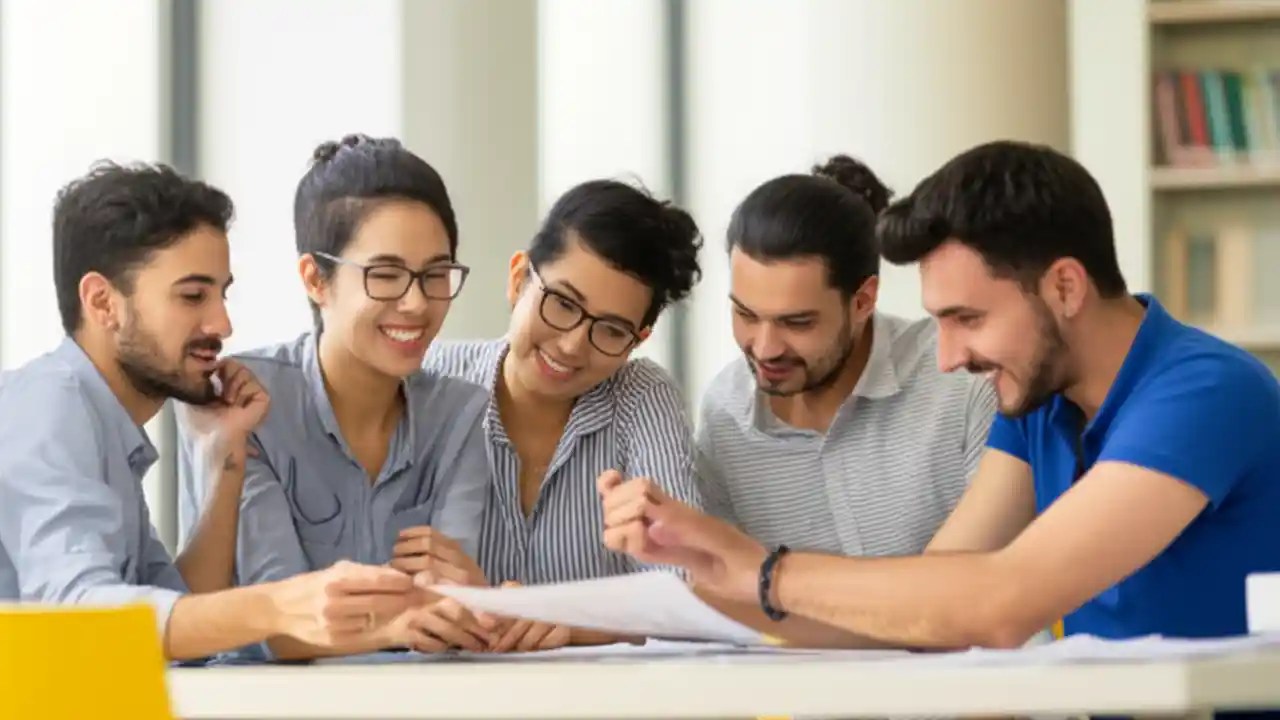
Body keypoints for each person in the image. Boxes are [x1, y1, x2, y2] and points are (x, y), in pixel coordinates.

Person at [598, 140, 1280, 650]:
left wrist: (765, 572)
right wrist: (682, 583)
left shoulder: (1204, 392)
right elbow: (935, 601)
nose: (948, 356)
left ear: (1065, 288)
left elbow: (1004, 601)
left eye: (968, 319)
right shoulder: (1041, 405)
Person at [0, 161, 416, 662]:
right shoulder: (48, 408)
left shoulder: (105, 430)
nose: (222, 323)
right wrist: (282, 605)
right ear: (103, 302)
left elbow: (183, 624)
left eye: (222, 294)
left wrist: (226, 457)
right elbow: (80, 618)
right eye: (193, 296)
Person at [178, 135, 495, 658]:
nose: (416, 303)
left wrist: (454, 603)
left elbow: (448, 605)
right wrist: (399, 624)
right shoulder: (245, 403)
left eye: (436, 274)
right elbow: (272, 622)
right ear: (315, 280)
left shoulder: (460, 416)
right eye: (386, 275)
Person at [425, 178, 704, 649]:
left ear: (639, 339)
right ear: (518, 279)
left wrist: (570, 619)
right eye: (562, 303)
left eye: (612, 330)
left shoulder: (641, 397)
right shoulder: (431, 381)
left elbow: (684, 588)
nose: (573, 345)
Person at [697, 155, 994, 563]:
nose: (765, 348)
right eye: (745, 314)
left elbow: (988, 581)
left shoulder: (959, 382)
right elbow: (727, 590)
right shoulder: (724, 413)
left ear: (863, 301)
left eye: (796, 322)